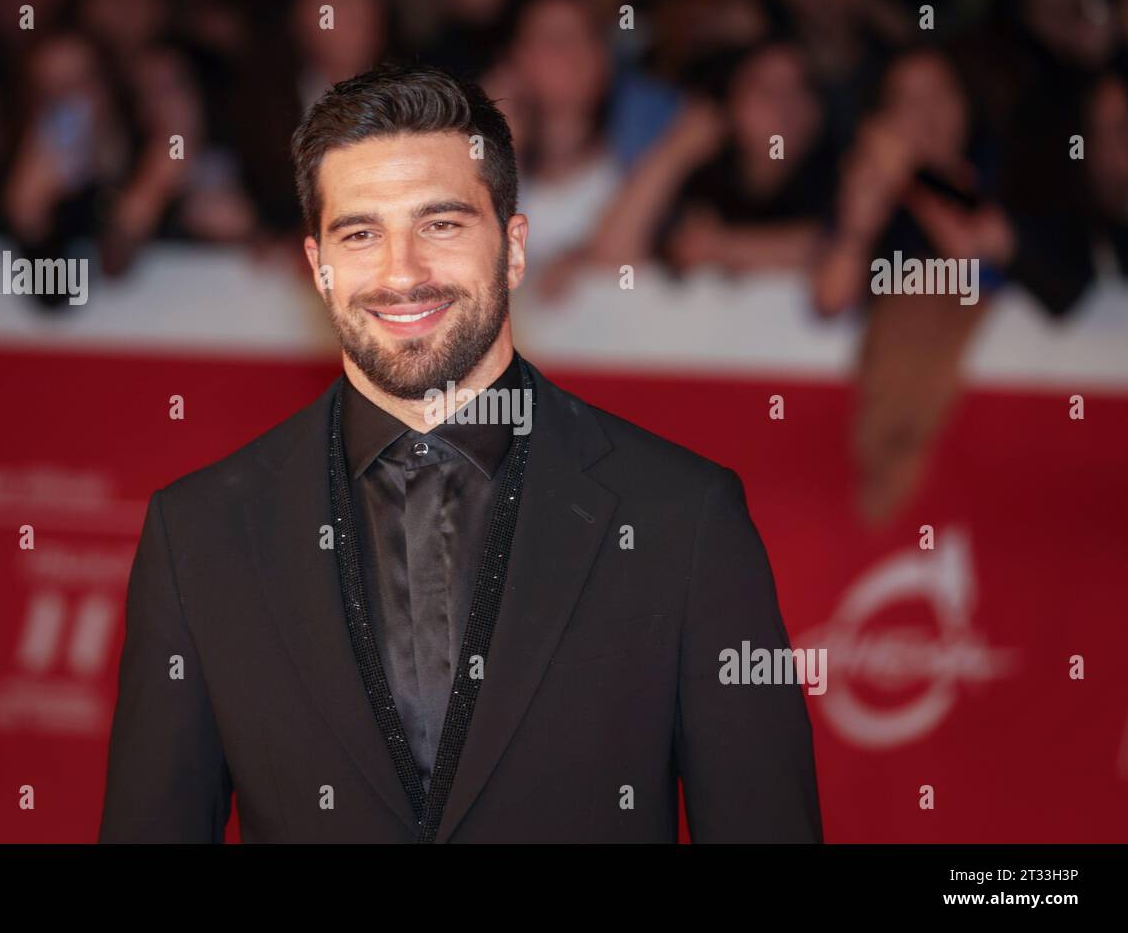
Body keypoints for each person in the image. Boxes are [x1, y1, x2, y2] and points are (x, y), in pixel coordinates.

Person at [98, 63, 823, 843]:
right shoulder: (201, 534)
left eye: (440, 224)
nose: (402, 272)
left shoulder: (683, 516)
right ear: (318, 268)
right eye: (361, 233)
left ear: (512, 247)